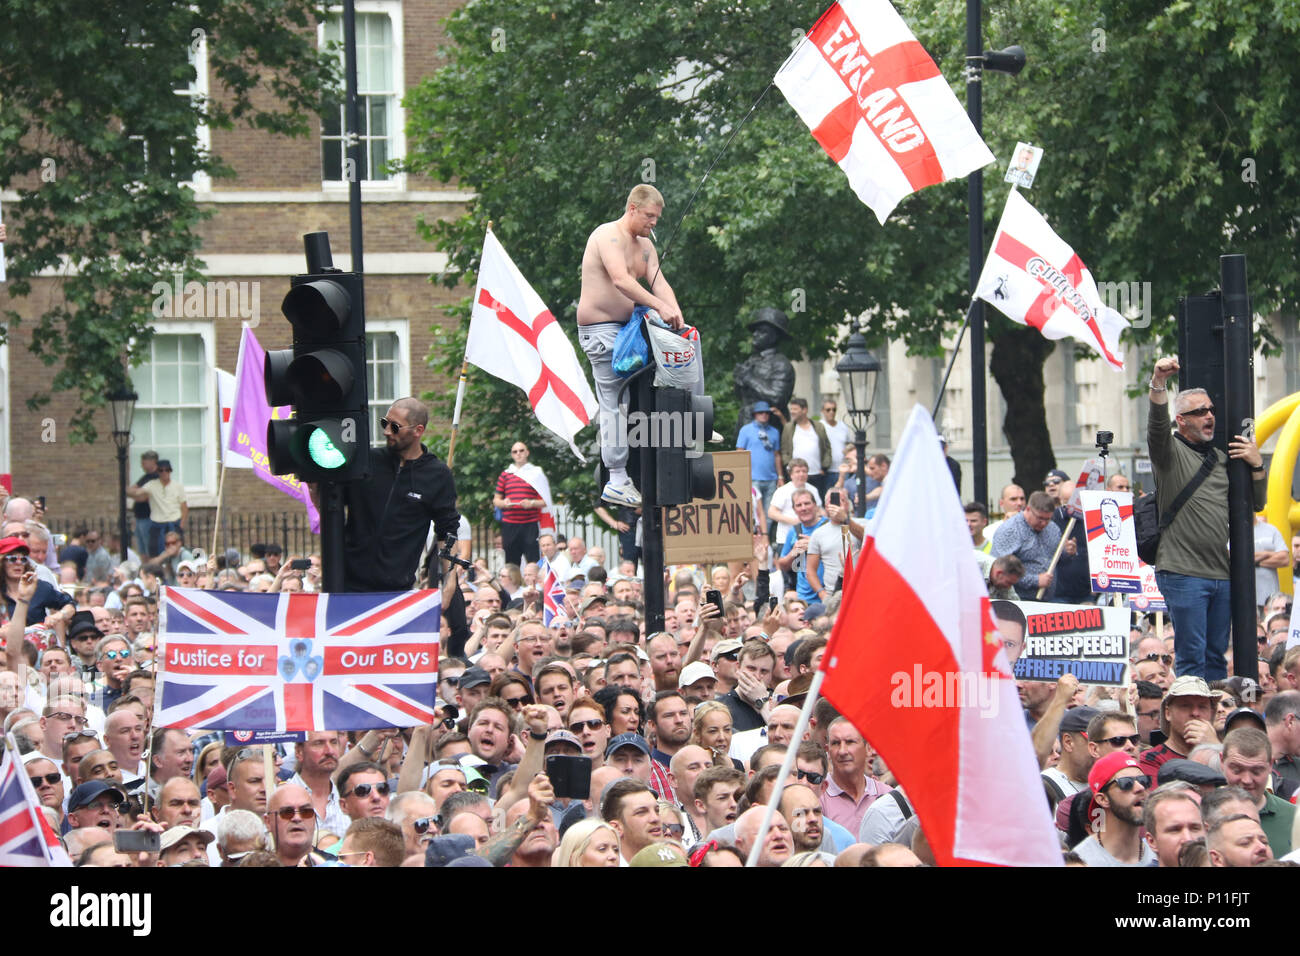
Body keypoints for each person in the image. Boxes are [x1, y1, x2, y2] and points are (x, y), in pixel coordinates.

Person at [1147, 358, 1266, 678]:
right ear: (1181, 420)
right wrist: (1158, 381)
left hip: (1220, 573)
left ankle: (1212, 722)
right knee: (1191, 656)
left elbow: (1258, 503)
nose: (1210, 415)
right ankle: (1190, 721)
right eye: (1199, 411)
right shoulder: (1168, 453)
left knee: (1216, 657)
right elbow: (1157, 426)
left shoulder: (1223, 459)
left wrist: (1257, 466)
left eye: (1210, 409)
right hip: (1183, 572)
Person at [578, 184, 690, 508]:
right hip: (601, 333)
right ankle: (616, 477)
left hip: (628, 331)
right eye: (649, 216)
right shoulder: (607, 236)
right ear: (632, 209)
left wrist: (676, 314)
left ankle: (688, 418)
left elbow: (658, 281)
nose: (654, 223)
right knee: (617, 398)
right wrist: (659, 306)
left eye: (657, 217)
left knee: (679, 356)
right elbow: (622, 281)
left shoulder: (645, 248)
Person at [337, 397, 461, 592]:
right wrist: (315, 486)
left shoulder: (437, 474)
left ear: (418, 431)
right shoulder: (366, 462)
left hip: (396, 589)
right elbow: (331, 504)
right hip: (347, 583)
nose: (387, 432)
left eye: (395, 427)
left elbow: (447, 531)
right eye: (384, 423)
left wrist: (450, 581)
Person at [1072, 752, 1156, 866]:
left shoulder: (1160, 854)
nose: (1140, 788)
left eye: (1143, 780)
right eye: (1126, 783)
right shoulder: (1081, 862)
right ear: (1102, 799)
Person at [991, 491, 1070, 601]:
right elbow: (998, 571)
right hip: (1018, 600)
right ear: (1028, 509)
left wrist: (1067, 552)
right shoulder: (1009, 530)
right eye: (1040, 518)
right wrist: (1035, 580)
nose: (1043, 523)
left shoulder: (1053, 528)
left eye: (1047, 519)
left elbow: (1056, 559)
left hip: (1048, 600)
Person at [494, 442, 548, 567]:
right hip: (510, 524)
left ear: (527, 452)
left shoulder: (536, 473)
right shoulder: (505, 474)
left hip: (530, 524)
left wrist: (532, 503)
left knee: (533, 561)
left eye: (521, 450)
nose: (518, 454)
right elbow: (496, 500)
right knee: (511, 563)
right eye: (515, 451)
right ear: (512, 455)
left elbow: (546, 501)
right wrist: (504, 503)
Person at [125, 460, 186, 559]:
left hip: (174, 523)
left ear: (170, 471)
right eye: (161, 470)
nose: (164, 473)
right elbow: (137, 493)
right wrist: (124, 488)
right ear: (157, 472)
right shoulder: (152, 484)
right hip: (157, 524)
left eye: (166, 470)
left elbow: (184, 507)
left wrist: (181, 525)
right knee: (155, 553)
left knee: (176, 553)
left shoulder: (177, 486)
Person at [736, 401, 782, 517]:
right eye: (760, 412)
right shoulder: (745, 430)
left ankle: (766, 535)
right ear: (755, 414)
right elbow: (739, 452)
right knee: (753, 511)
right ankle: (757, 535)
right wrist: (740, 474)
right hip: (752, 478)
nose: (764, 415)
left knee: (769, 512)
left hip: (771, 478)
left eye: (767, 413)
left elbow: (777, 455)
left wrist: (780, 476)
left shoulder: (774, 431)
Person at [780, 399, 831, 496]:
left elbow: (827, 448)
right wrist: (789, 467)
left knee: (817, 501)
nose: (792, 412)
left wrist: (825, 467)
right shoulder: (788, 428)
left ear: (804, 410)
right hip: (797, 476)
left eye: (795, 409)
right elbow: (784, 450)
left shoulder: (818, 426)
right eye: (791, 409)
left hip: (816, 474)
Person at [1253, 516, 1289, 612]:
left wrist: (1255, 562)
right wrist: (1268, 553)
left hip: (1270, 600)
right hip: (1241, 598)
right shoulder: (1229, 530)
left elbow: (1284, 559)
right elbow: (1232, 557)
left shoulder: (1271, 530)